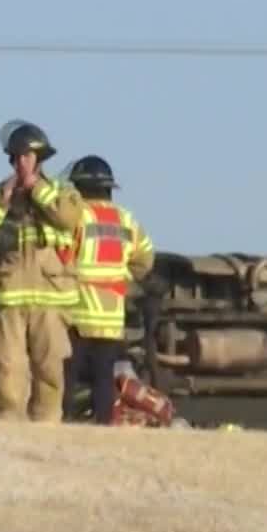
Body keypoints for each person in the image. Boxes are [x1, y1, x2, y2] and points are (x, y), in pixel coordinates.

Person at [0, 122, 85, 423]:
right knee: (7, 368)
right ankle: (9, 423)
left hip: (51, 298)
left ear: (39, 158)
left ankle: (47, 425)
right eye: (16, 157)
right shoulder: (2, 192)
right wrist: (2, 201)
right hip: (10, 297)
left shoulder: (63, 191)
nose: (20, 163)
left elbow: (68, 218)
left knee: (49, 369)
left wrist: (37, 189)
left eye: (26, 156)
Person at [59, 156, 157, 426]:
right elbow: (146, 259)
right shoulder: (126, 220)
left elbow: (62, 255)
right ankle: (103, 426)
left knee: (67, 377)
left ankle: (65, 423)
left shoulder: (77, 217)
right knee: (104, 380)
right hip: (111, 318)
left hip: (78, 314)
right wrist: (124, 275)